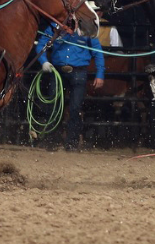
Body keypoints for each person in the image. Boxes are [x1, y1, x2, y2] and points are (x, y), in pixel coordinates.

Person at [35, 20, 105, 151]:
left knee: (75, 108)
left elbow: (97, 52)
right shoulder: (54, 28)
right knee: (54, 106)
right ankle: (52, 140)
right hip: (58, 71)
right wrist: (44, 61)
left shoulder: (87, 29)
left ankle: (71, 143)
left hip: (78, 71)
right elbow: (41, 45)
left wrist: (100, 73)